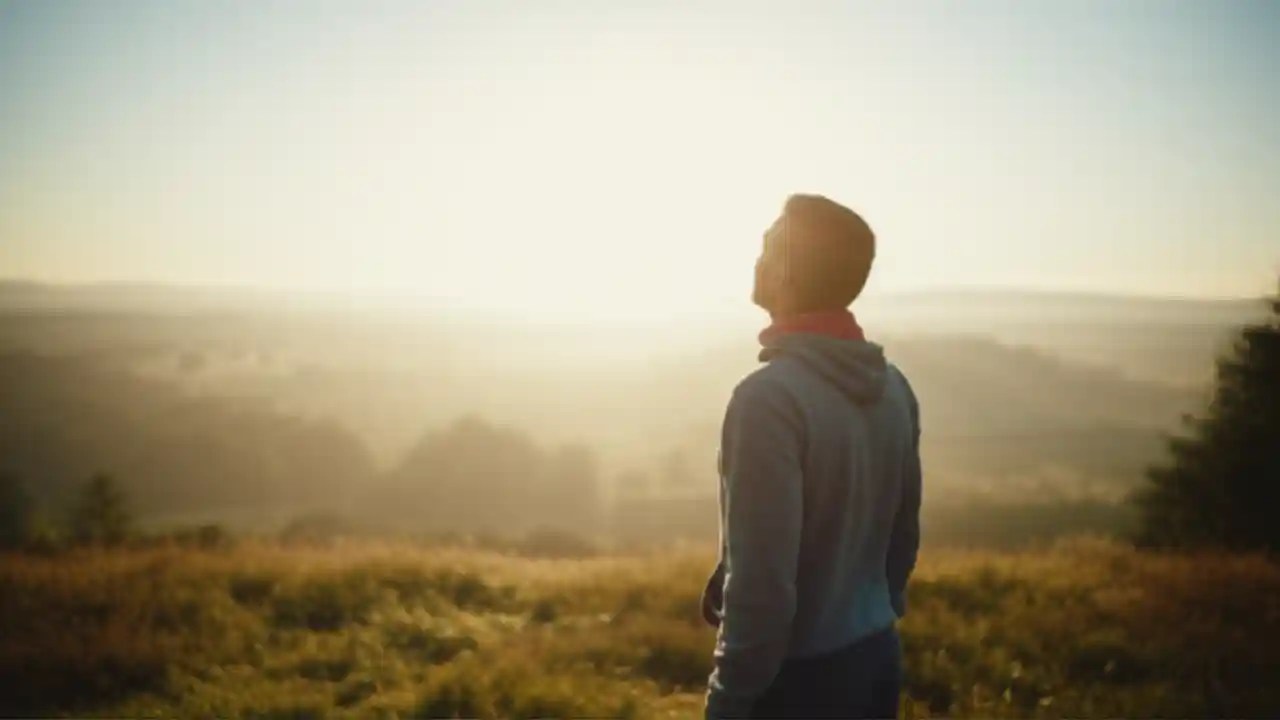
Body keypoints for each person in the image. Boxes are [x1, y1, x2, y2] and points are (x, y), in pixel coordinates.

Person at [701, 194, 923, 719]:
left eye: (767, 247)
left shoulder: (768, 400)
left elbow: (764, 591)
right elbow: (902, 534)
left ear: (788, 274)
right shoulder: (895, 388)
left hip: (796, 686)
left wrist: (726, 704)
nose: (756, 260)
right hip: (875, 661)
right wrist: (865, 609)